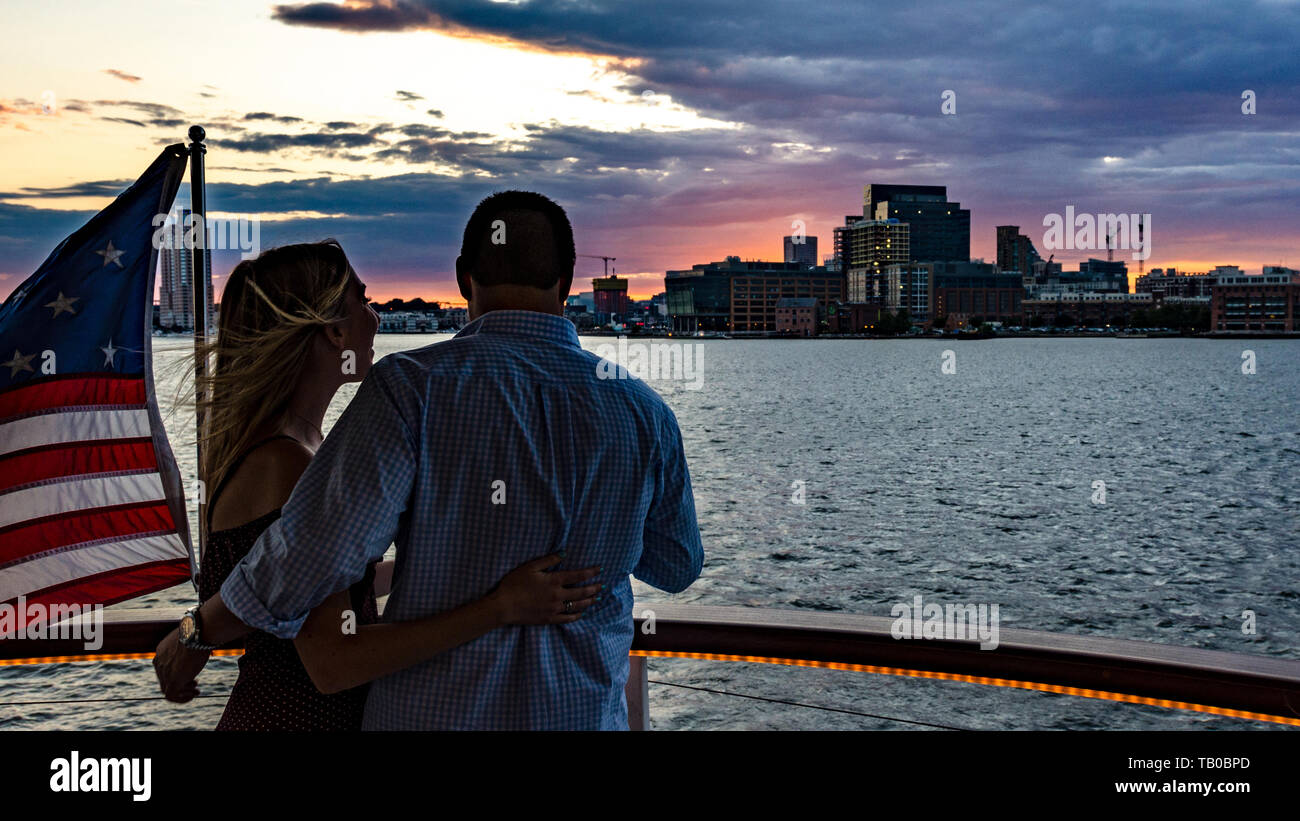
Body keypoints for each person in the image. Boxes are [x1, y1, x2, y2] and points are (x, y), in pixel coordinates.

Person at [154, 191, 704, 730]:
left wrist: (198, 629)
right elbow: (676, 567)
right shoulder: (644, 411)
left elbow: (308, 558)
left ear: (465, 278)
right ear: (567, 281)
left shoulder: (410, 389)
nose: (372, 312)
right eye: (362, 300)